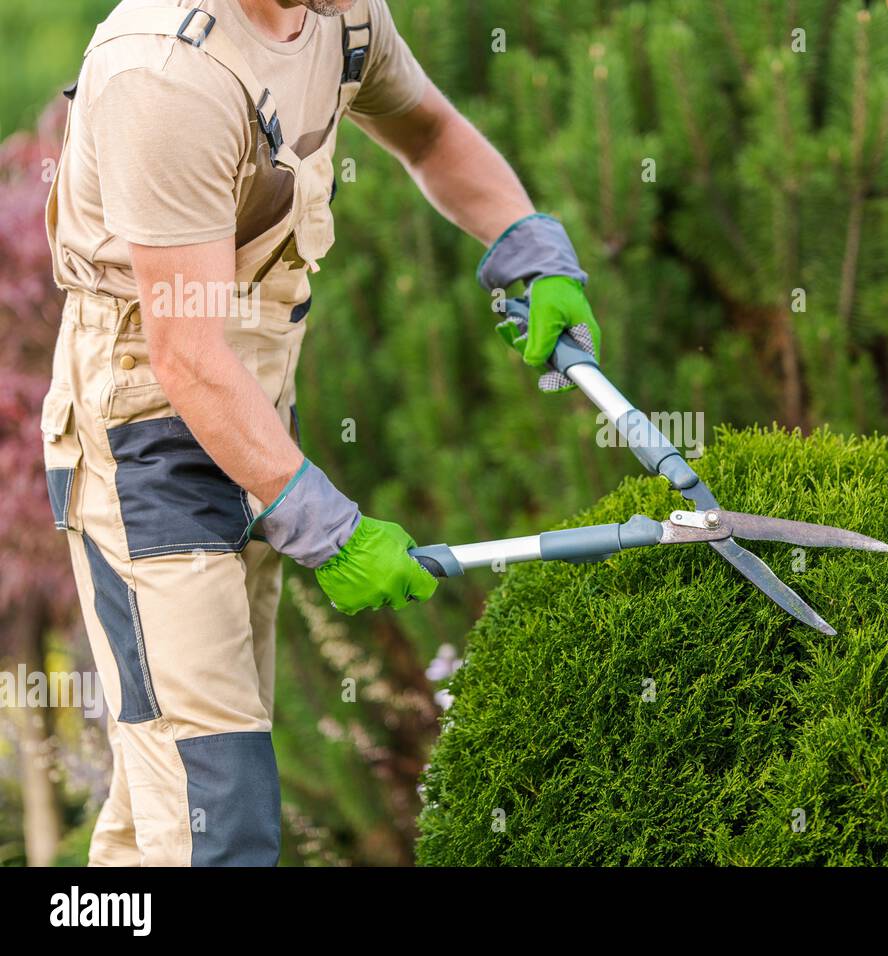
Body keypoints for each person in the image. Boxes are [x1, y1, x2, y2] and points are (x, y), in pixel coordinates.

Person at [41, 0, 598, 866]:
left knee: (170, 780)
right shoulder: (165, 74)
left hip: (254, 425)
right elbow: (183, 353)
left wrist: (524, 239)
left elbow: (427, 130)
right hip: (146, 445)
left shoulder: (339, 16)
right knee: (214, 816)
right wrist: (326, 525)